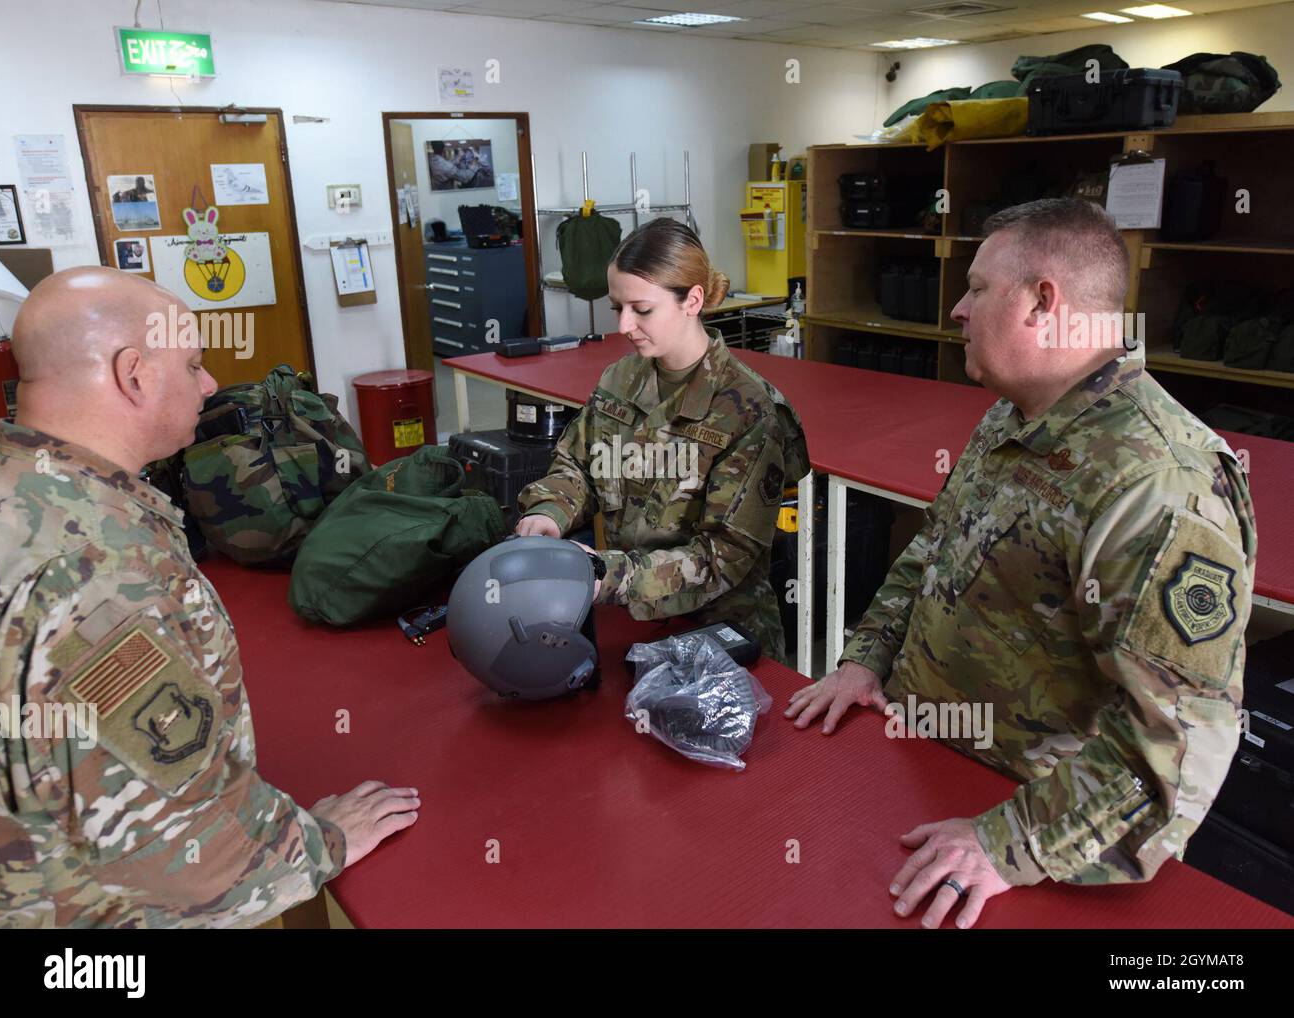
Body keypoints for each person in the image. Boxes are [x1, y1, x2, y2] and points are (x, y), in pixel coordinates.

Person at [785, 199, 1255, 929]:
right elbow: (935, 546)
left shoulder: (1158, 483)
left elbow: (1178, 744)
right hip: (922, 770)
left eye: (975, 288)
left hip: (1030, 839)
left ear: (1043, 301)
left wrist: (1008, 844)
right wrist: (866, 659)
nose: (955, 309)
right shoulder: (1019, 413)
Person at [0, 267, 419, 928]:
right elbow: (180, 856)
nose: (210, 384)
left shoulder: (20, 488)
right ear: (133, 374)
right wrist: (317, 843)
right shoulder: (96, 566)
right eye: (192, 364)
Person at [515, 218, 809, 663]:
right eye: (618, 308)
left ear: (692, 300)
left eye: (642, 309)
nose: (624, 325)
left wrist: (608, 575)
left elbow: (723, 558)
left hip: (719, 635)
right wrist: (550, 512)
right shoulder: (621, 378)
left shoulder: (746, 410)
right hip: (629, 619)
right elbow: (578, 465)